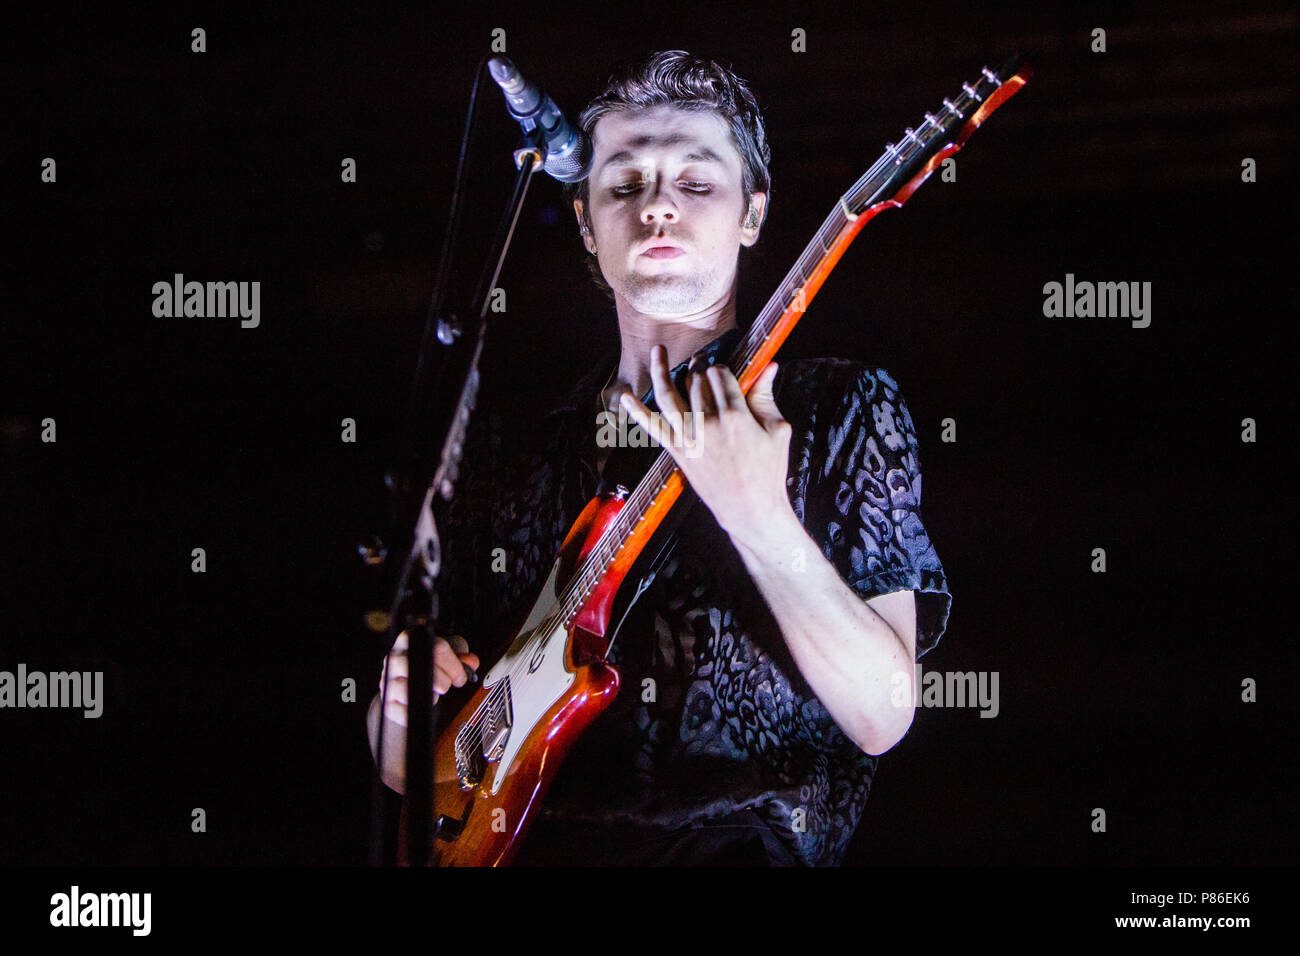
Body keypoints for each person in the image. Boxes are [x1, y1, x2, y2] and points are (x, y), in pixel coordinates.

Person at [367, 49, 951, 866]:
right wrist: (397, 714)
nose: (658, 208)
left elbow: (884, 714)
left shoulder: (838, 408)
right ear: (585, 222)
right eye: (625, 183)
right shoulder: (511, 449)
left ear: (752, 214)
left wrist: (761, 521)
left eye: (697, 182)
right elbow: (422, 773)